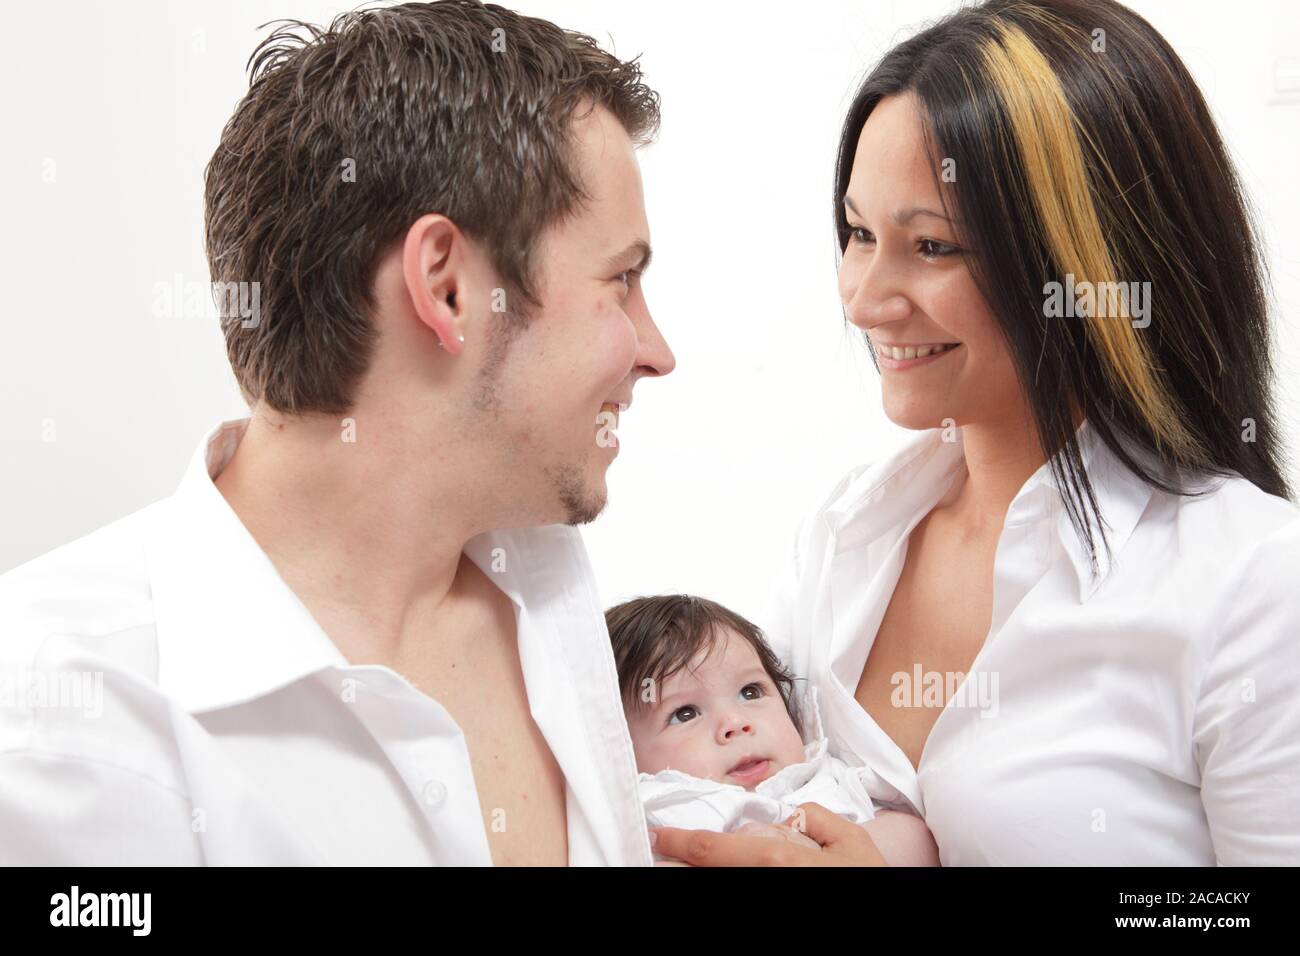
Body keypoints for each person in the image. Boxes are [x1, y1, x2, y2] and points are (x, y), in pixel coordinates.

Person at [0, 0, 674, 866]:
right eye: (621, 280)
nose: (655, 352)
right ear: (448, 286)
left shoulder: (539, 574)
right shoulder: (55, 729)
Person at [652, 0, 1300, 867]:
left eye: (931, 247)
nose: (864, 299)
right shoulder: (846, 536)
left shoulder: (1252, 581)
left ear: (1087, 264)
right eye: (857, 233)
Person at [607, 594, 939, 865]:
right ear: (622, 756)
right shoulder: (652, 812)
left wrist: (862, 846)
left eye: (750, 692)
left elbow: (920, 842)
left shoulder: (826, 778)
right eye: (685, 713)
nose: (735, 723)